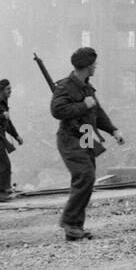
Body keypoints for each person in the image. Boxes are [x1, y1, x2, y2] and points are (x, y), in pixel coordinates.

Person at [51, 47, 125, 242]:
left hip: (86, 136)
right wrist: (84, 105)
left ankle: (75, 227)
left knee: (87, 178)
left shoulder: (86, 87)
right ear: (86, 66)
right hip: (70, 138)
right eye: (93, 64)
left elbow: (98, 113)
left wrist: (113, 130)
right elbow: (57, 110)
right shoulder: (65, 86)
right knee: (85, 175)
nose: (95, 67)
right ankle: (70, 222)